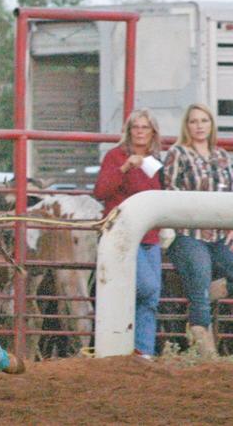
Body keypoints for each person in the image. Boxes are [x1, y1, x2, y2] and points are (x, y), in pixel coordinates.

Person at [161, 103, 233, 358]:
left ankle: (198, 303)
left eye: (204, 120)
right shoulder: (177, 153)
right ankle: (205, 352)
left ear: (211, 125)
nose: (199, 125)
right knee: (199, 276)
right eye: (194, 121)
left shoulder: (222, 156)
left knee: (209, 284)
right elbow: (170, 189)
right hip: (189, 234)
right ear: (187, 126)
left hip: (219, 235)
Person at [93, 109, 163, 359]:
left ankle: (143, 352)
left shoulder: (156, 161)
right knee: (148, 288)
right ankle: (137, 349)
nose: (140, 131)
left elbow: (162, 195)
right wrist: (123, 167)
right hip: (123, 236)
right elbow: (101, 190)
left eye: (145, 127)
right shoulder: (115, 157)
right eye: (136, 127)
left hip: (149, 236)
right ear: (129, 131)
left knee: (150, 296)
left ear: (152, 132)